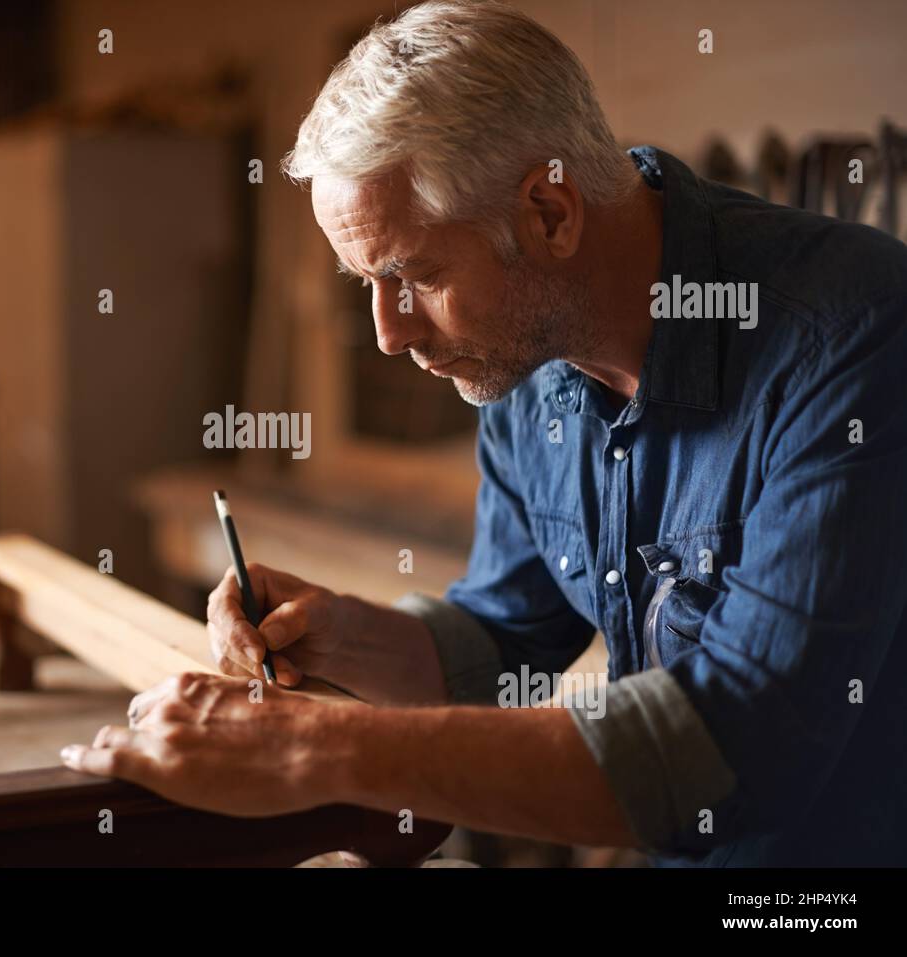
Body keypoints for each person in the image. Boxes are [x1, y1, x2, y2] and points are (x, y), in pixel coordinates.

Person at [62, 0, 907, 866]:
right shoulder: (526, 357)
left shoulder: (849, 336)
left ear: (549, 213)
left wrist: (307, 750)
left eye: (414, 275)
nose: (389, 333)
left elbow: (746, 745)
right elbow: (509, 637)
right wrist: (339, 632)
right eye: (366, 282)